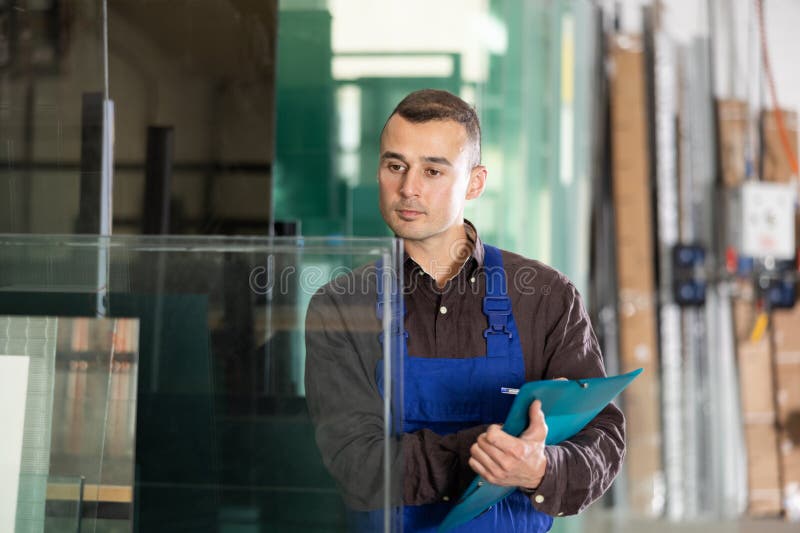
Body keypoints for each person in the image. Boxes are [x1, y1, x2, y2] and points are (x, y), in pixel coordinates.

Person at [304, 89, 625, 532]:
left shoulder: (546, 297)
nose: (408, 188)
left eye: (433, 170)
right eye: (395, 166)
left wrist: (540, 468)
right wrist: (488, 452)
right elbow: (356, 464)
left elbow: (602, 438)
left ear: (474, 183)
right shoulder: (340, 307)